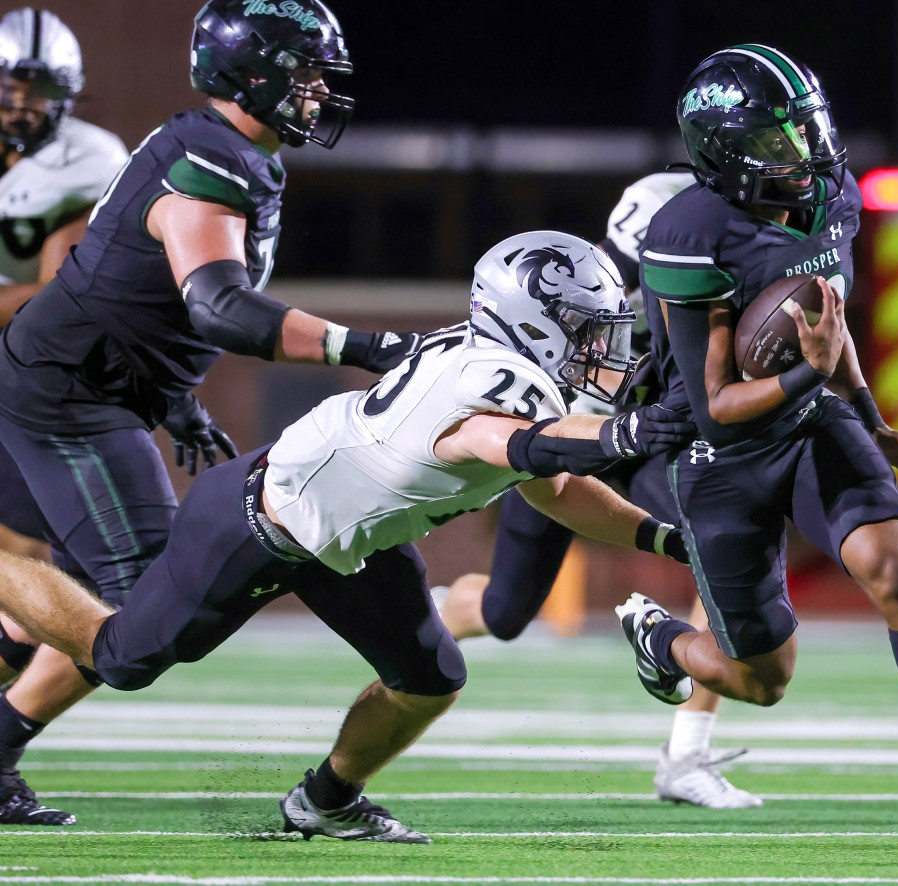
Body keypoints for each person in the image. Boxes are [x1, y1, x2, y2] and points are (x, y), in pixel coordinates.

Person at [0, 230, 695, 843]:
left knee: (429, 678)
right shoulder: (494, 384)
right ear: (531, 321)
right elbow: (499, 441)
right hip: (261, 520)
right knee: (122, 656)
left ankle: (326, 802)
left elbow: (559, 490)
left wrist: (663, 539)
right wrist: (618, 433)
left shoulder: (512, 372)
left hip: (347, 534)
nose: (603, 348)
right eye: (586, 329)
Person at [0, 0, 425, 827]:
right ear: (252, 72)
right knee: (141, 612)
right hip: (71, 391)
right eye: (304, 75)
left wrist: (178, 400)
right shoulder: (208, 157)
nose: (317, 93)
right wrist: (369, 345)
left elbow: (132, 285)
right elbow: (220, 307)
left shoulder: (225, 149)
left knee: (120, 603)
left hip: (100, 384)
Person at [613, 44, 898, 849]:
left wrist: (869, 416)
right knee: (762, 681)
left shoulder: (831, 199)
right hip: (719, 457)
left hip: (809, 420)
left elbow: (824, 321)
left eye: (808, 127)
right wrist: (810, 377)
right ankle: (664, 639)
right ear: (725, 151)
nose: (809, 151)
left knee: (895, 574)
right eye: (781, 139)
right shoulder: (689, 233)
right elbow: (716, 409)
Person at [434, 171, 763, 809]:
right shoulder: (577, 292)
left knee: (728, 543)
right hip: (572, 445)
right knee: (504, 614)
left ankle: (685, 755)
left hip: (649, 444)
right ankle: (427, 614)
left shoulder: (709, 292)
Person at [0, 7, 130, 685]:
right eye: (9, 87)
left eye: (39, 88)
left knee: (32, 565)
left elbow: (66, 286)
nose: (22, 104)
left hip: (27, 366)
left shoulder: (94, 158)